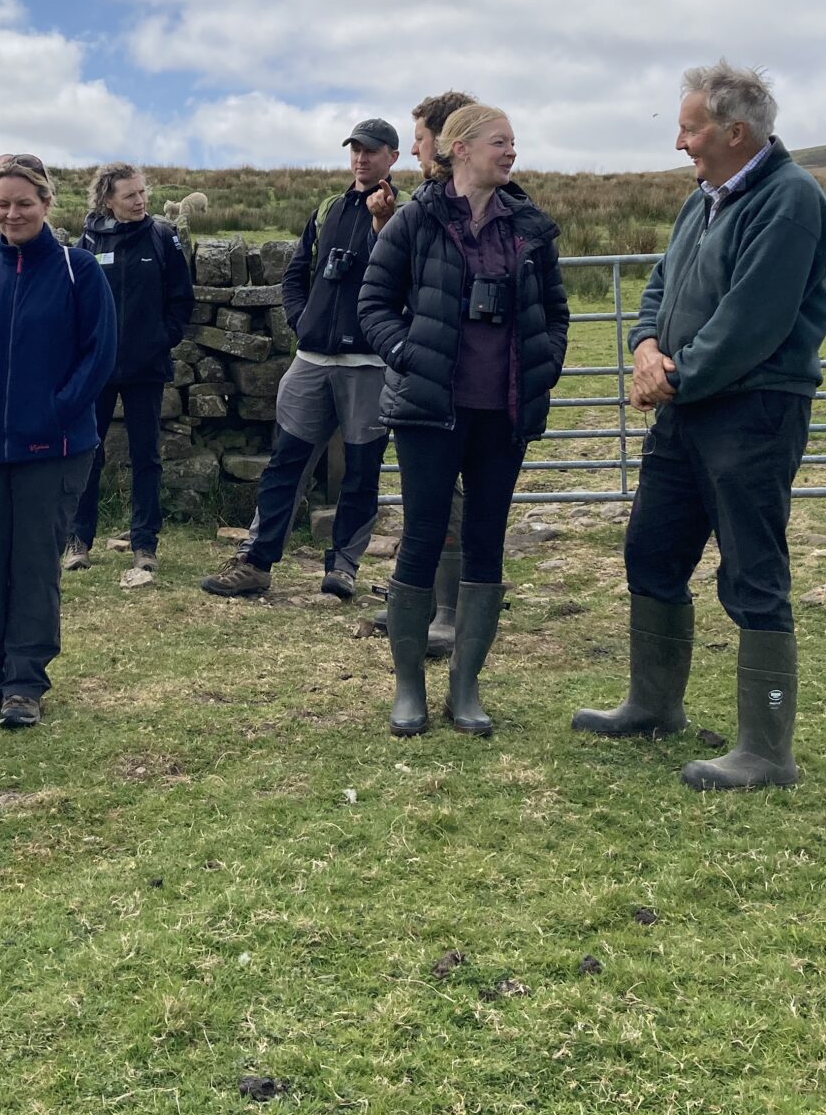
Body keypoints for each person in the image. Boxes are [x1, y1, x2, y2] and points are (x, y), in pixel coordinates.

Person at [571, 61, 826, 790]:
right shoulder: (704, 201)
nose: (681, 141)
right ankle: (654, 704)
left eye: (690, 127)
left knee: (753, 570)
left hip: (752, 411)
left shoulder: (789, 201)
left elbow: (753, 321)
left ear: (735, 131)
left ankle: (766, 749)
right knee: (652, 552)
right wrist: (646, 345)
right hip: (686, 410)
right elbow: (661, 283)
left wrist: (673, 375)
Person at [359, 104, 569, 736]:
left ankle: (467, 688)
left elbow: (556, 313)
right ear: (460, 150)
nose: (511, 153)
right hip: (431, 412)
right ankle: (408, 689)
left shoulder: (528, 225)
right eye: (500, 143)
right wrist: (408, 356)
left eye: (513, 143)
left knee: (486, 541)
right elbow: (373, 301)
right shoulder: (416, 220)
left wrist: (545, 365)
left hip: (503, 412)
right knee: (422, 539)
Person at [0, 153, 118, 729]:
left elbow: (99, 353)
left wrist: (59, 412)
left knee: (35, 565)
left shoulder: (76, 270)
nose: (11, 213)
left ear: (45, 205)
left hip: (55, 449)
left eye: (23, 203)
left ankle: (23, 686)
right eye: (2, 203)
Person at [200, 120, 401, 601]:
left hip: (369, 365)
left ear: (393, 157)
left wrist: (382, 224)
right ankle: (255, 561)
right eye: (355, 149)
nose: (361, 158)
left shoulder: (406, 212)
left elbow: (403, 276)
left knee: (361, 470)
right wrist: (301, 321)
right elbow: (295, 274)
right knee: (285, 463)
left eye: (372, 151)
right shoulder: (327, 208)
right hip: (311, 359)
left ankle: (343, 568)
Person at [367, 91, 477, 654]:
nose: (414, 148)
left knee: (450, 500)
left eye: (420, 138)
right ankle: (425, 605)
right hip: (423, 373)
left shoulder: (471, 206)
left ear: (448, 140)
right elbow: (393, 289)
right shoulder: (423, 204)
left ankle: (451, 614)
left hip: (460, 380)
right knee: (425, 498)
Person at [63, 163, 195, 579]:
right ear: (107, 200)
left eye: (142, 192)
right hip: (96, 369)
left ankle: (144, 545)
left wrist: (161, 338)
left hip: (145, 367)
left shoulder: (163, 236)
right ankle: (77, 541)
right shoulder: (87, 241)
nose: (140, 201)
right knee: (87, 452)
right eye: (130, 196)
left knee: (146, 456)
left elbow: (181, 298)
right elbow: (74, 302)